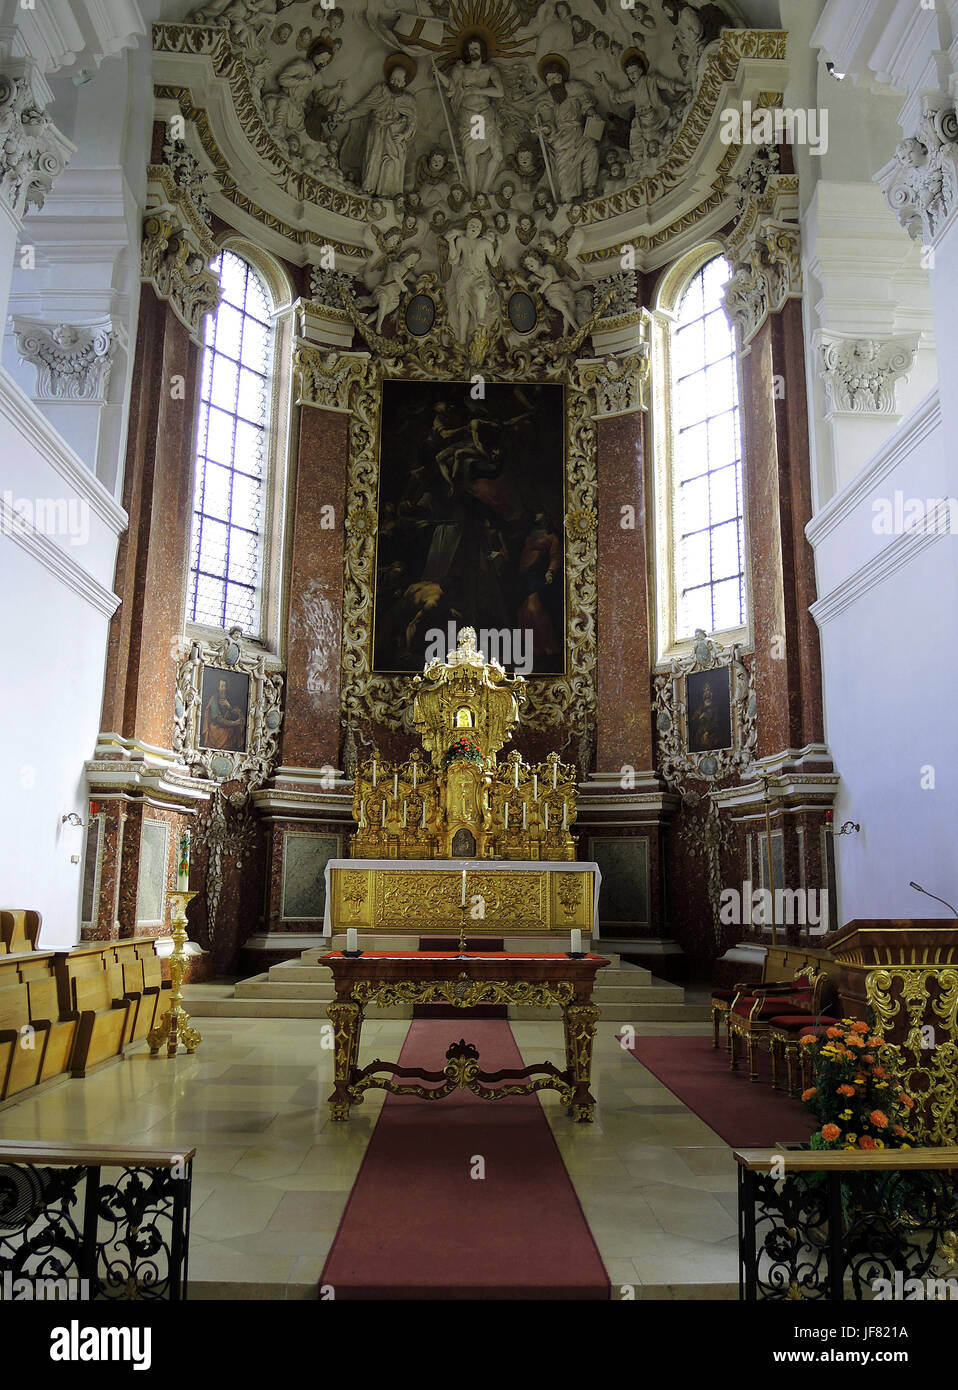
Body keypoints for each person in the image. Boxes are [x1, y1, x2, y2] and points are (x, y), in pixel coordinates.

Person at [433, 36, 504, 194]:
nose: (473, 52)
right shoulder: (461, 70)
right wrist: (438, 73)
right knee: (470, 153)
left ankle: (484, 191)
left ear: (482, 50)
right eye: (471, 49)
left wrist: (478, 90)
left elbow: (500, 92)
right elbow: (451, 88)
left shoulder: (490, 69)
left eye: (476, 48)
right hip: (470, 115)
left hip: (485, 113)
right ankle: (473, 193)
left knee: (498, 154)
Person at [343, 55, 418, 197]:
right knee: (372, 160)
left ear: (404, 82)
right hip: (376, 132)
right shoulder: (380, 91)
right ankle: (368, 189)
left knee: (390, 166)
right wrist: (345, 116)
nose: (394, 82)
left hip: (394, 139)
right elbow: (363, 107)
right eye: (393, 78)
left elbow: (412, 122)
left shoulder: (408, 100)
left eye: (398, 80)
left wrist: (403, 135)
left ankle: (387, 195)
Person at [202, 678, 245, 751]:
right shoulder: (214, 699)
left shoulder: (229, 698)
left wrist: (229, 707)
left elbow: (236, 716)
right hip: (217, 728)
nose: (223, 689)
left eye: (224, 686)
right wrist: (233, 723)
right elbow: (217, 719)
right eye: (221, 686)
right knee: (223, 732)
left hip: (228, 726)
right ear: (218, 688)